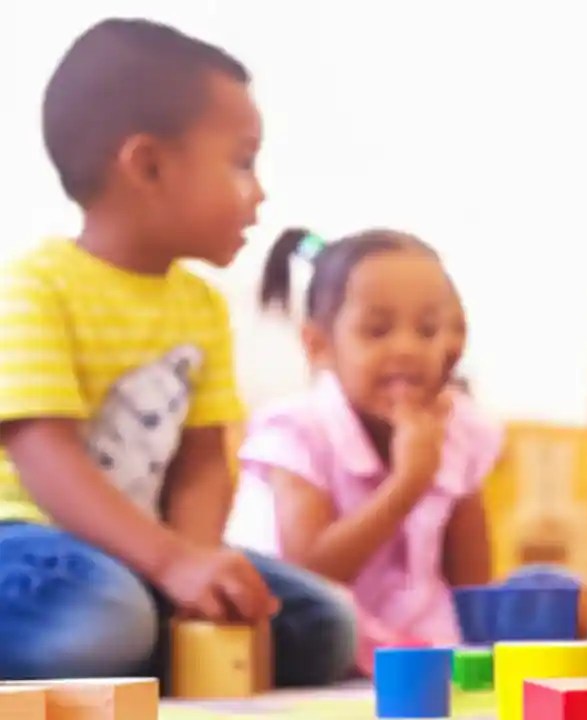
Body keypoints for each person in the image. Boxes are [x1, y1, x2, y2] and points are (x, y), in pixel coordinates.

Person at [0, 20, 355, 683]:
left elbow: (200, 465)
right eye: (242, 161)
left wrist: (195, 565)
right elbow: (45, 456)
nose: (260, 191)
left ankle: (144, 645)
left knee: (324, 623)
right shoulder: (34, 286)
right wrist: (169, 564)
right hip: (30, 542)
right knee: (104, 617)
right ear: (148, 165)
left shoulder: (202, 307)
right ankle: (131, 639)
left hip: (142, 555)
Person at [224, 228, 497, 676]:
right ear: (319, 346)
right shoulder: (299, 431)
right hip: (325, 641)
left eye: (427, 330)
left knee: (549, 586)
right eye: (377, 330)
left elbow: (473, 585)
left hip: (430, 647)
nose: (407, 348)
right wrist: (406, 485)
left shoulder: (458, 428)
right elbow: (309, 576)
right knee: (328, 621)